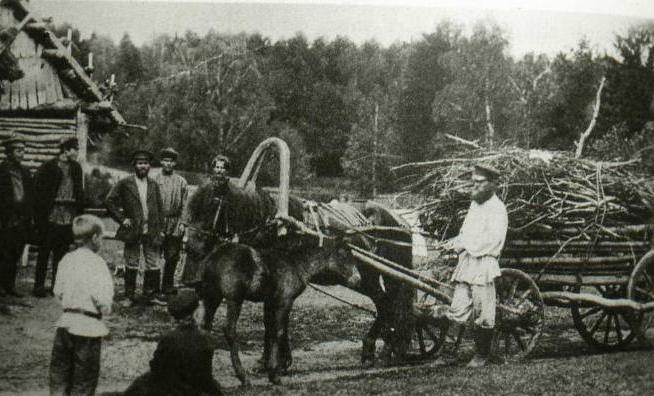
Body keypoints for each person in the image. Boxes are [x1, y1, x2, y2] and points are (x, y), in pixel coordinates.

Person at [434, 164, 508, 368]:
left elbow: (492, 241)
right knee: (457, 308)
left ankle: (481, 355)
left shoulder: (498, 209)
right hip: (467, 264)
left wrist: (465, 244)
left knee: (483, 312)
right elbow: (465, 234)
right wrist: (452, 243)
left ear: (493, 184)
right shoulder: (475, 206)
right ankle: (448, 354)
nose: (474, 186)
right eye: (473, 182)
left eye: (479, 182)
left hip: (484, 264)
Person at [49, 214, 114, 395]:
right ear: (94, 238)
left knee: (60, 375)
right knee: (84, 379)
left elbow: (58, 291)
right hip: (88, 327)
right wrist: (105, 308)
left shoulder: (66, 260)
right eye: (101, 237)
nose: (101, 241)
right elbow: (103, 298)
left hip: (66, 324)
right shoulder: (98, 264)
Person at [123, 289, 222, 396]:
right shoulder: (207, 339)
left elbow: (156, 368)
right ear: (196, 313)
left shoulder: (169, 339)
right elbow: (205, 377)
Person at [105, 150, 165, 307]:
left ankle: (150, 295)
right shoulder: (125, 183)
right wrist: (122, 219)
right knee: (132, 262)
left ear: (149, 165)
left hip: (151, 230)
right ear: (134, 165)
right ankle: (129, 296)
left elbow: (160, 208)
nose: (143, 166)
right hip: (133, 230)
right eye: (140, 163)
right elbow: (109, 201)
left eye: (145, 163)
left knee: (153, 262)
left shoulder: (153, 185)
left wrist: (161, 229)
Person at [33, 136, 85, 298]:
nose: (77, 153)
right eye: (75, 150)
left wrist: (80, 207)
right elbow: (38, 191)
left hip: (68, 216)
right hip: (51, 215)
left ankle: (57, 286)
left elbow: (79, 190)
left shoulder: (76, 168)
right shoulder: (49, 167)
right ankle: (39, 286)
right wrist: (42, 211)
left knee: (61, 253)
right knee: (44, 250)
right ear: (65, 150)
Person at [180, 154, 234, 286]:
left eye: (222, 168)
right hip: (202, 228)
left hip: (219, 229)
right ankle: (190, 283)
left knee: (216, 257)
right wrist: (185, 223)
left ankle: (210, 285)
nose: (219, 170)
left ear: (226, 170)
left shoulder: (230, 190)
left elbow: (233, 210)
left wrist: (231, 230)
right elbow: (191, 205)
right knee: (196, 253)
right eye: (217, 167)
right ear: (213, 168)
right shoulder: (205, 187)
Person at [0, 135, 34, 297]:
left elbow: (30, 195)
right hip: (5, 218)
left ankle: (9, 285)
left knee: (15, 252)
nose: (22, 154)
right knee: (3, 252)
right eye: (18, 151)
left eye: (23, 151)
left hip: (21, 219)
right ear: (9, 152)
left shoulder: (25, 171)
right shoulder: (2, 171)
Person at [155, 148, 188, 297]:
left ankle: (167, 286)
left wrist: (183, 223)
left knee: (172, 256)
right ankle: (153, 288)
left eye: (171, 161)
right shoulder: (154, 180)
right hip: (157, 221)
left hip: (175, 223)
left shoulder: (181, 182)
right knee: (154, 256)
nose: (168, 164)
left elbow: (185, 205)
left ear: (175, 163)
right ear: (161, 162)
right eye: (166, 161)